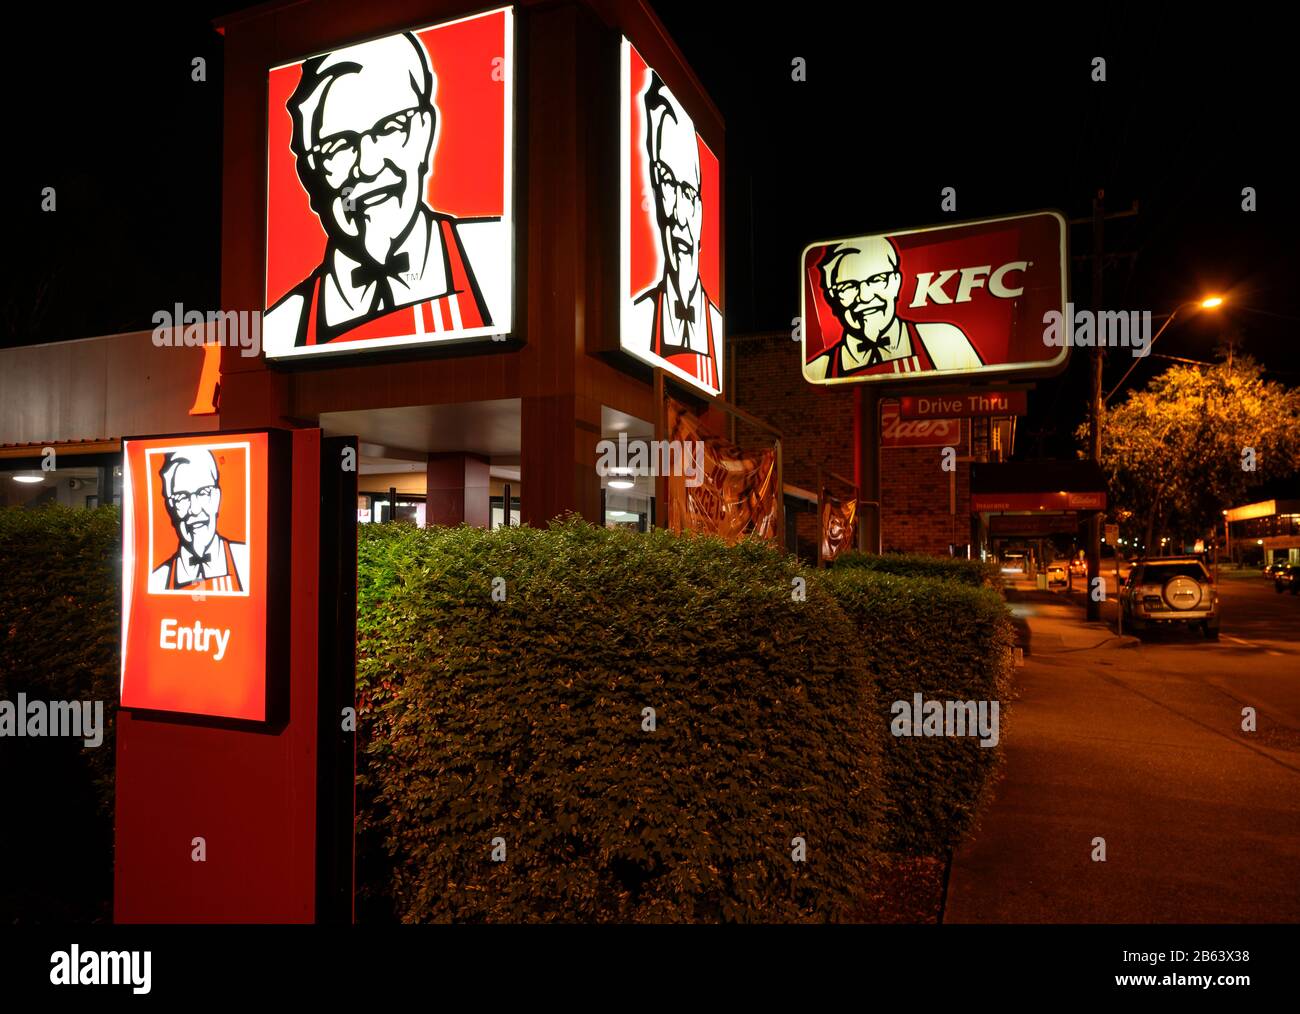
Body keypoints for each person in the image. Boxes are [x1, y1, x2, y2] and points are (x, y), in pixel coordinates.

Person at [264, 31, 502, 351]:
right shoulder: (281, 329)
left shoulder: (494, 261)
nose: (369, 165)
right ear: (308, 174)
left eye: (390, 128)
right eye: (339, 145)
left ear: (425, 132)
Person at [629, 73, 723, 392]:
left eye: (687, 191)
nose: (677, 214)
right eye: (667, 183)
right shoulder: (635, 320)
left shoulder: (718, 330)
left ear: (701, 204)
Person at [805, 235, 982, 380]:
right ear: (833, 298)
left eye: (877, 280)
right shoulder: (818, 371)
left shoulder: (944, 342)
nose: (865, 296)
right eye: (848, 286)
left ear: (896, 282)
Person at [149, 449, 248, 593]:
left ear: (217, 497)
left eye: (203, 492)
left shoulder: (246, 562)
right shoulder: (157, 581)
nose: (194, 510)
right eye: (182, 497)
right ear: (171, 507)